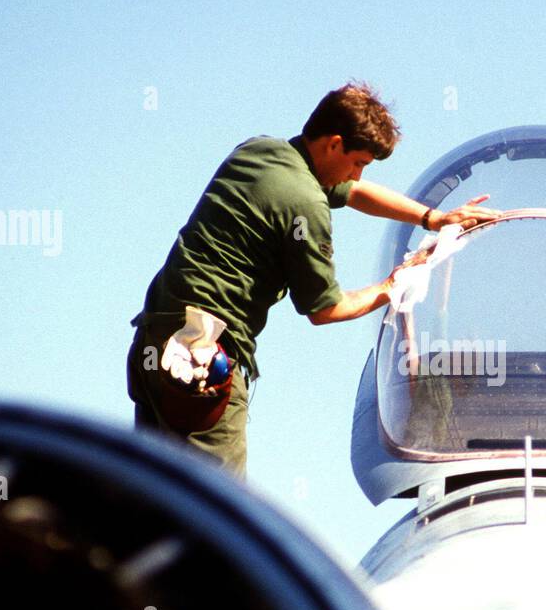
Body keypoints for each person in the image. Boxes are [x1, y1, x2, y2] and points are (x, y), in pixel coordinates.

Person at [126, 81, 500, 478]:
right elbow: (326, 309)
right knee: (220, 503)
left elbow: (353, 192)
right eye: (358, 162)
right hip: (204, 362)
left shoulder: (261, 151)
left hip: (156, 342)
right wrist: (392, 286)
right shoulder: (306, 203)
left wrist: (431, 218)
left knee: (156, 492)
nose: (357, 174)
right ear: (334, 144)